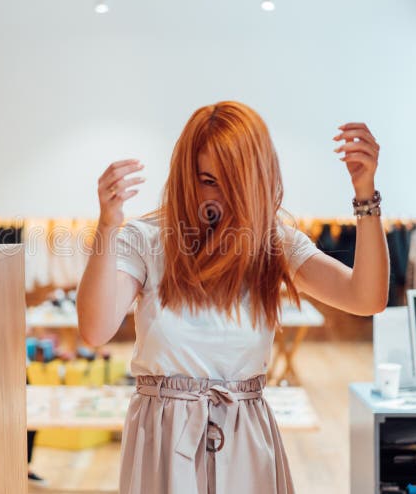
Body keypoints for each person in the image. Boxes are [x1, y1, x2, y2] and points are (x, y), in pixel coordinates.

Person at [77, 101, 389, 494]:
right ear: (186, 175)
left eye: (233, 182)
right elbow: (95, 329)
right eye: (207, 179)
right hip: (162, 438)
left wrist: (366, 195)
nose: (218, 198)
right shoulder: (147, 238)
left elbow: (366, 298)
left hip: (244, 439)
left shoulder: (272, 241)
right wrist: (107, 225)